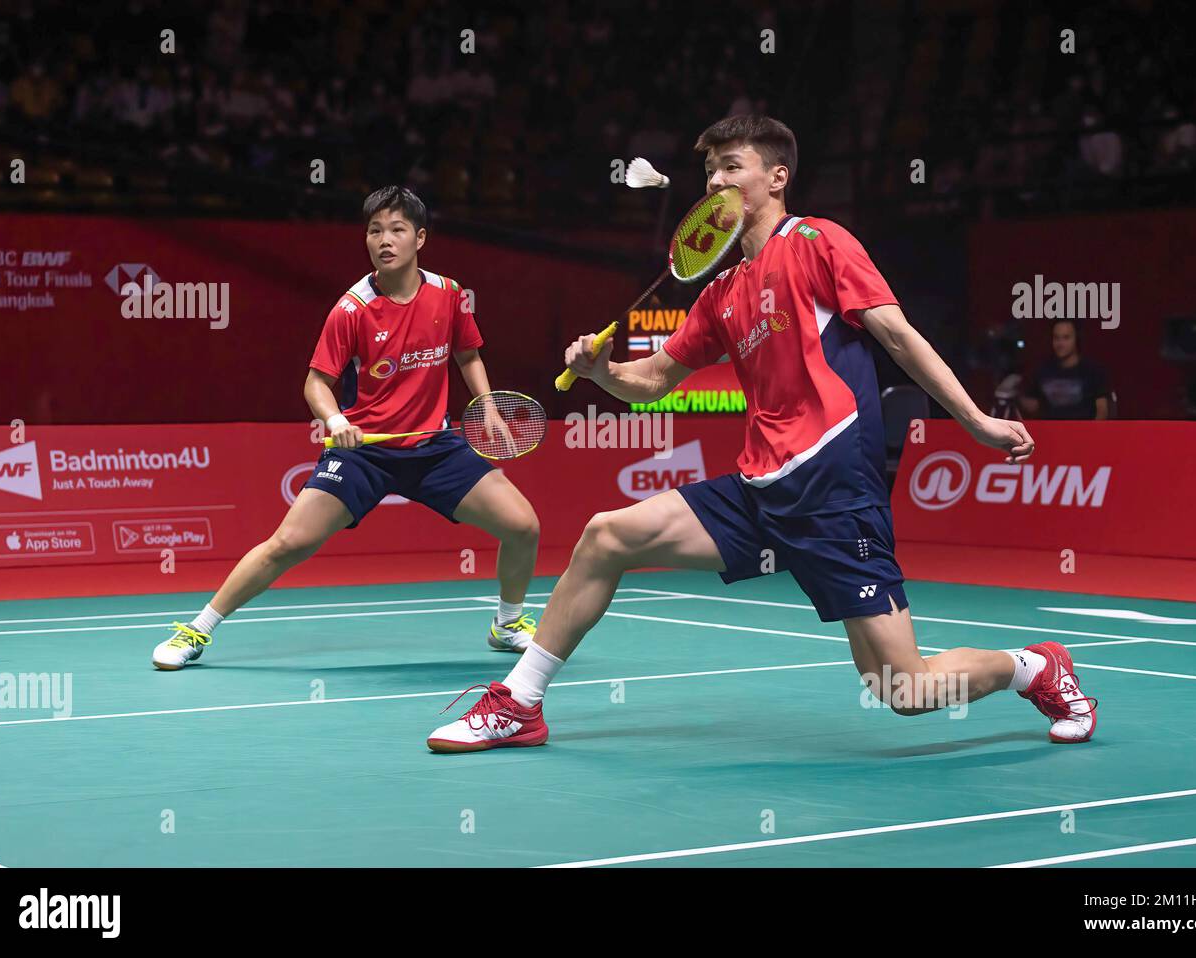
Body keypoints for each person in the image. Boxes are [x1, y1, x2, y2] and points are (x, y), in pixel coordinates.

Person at [426, 116, 1097, 753]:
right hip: (759, 489)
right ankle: (519, 703)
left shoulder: (817, 241)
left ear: (777, 177)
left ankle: (1032, 667)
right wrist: (604, 371)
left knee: (903, 688)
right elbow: (655, 380)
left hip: (834, 492)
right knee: (607, 536)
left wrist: (974, 421)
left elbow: (896, 332)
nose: (716, 183)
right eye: (711, 172)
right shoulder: (722, 291)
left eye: (731, 167)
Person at [152, 186, 541, 669]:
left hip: (434, 446)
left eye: (397, 229)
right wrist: (336, 420)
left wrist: (487, 406)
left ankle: (506, 625)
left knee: (523, 525)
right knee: (289, 543)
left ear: (420, 237)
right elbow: (316, 383)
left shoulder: (449, 294)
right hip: (364, 452)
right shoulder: (352, 309)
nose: (385, 239)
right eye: (375, 230)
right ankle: (197, 630)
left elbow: (467, 354)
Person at [1019, 319, 1111, 420]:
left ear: (1076, 339)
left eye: (1066, 338)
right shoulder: (1041, 371)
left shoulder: (1093, 371)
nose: (1060, 343)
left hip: (1083, 432)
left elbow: (1102, 410)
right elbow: (1032, 407)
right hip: (1049, 433)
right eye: (1056, 338)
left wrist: (1093, 434)